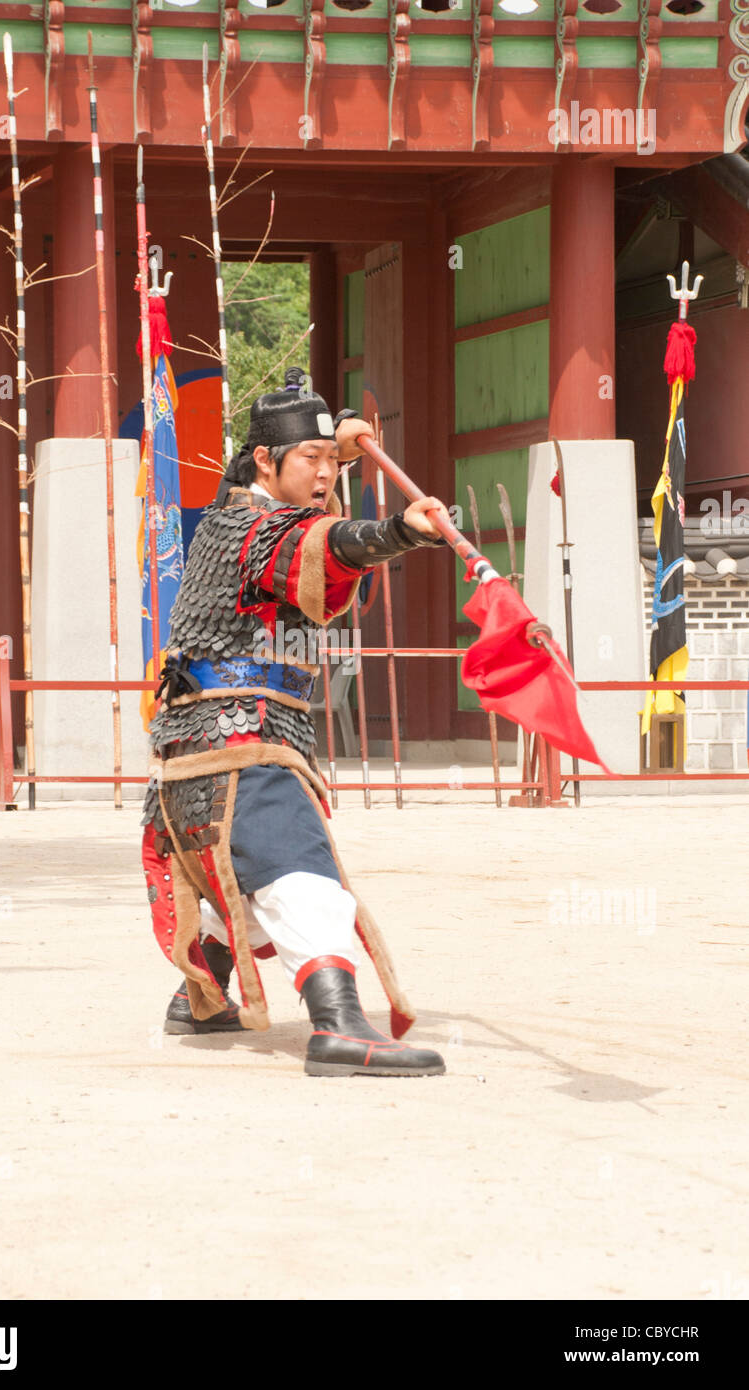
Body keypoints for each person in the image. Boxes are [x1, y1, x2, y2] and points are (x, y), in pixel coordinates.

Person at [141, 370, 452, 1077]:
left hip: (209, 746)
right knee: (297, 873)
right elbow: (326, 546)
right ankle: (338, 1026)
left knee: (240, 878)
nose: (322, 475)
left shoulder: (246, 517)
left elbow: (315, 536)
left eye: (329, 464)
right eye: (307, 460)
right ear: (262, 462)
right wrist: (400, 529)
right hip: (235, 746)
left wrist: (333, 446)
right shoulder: (250, 525)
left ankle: (201, 999)